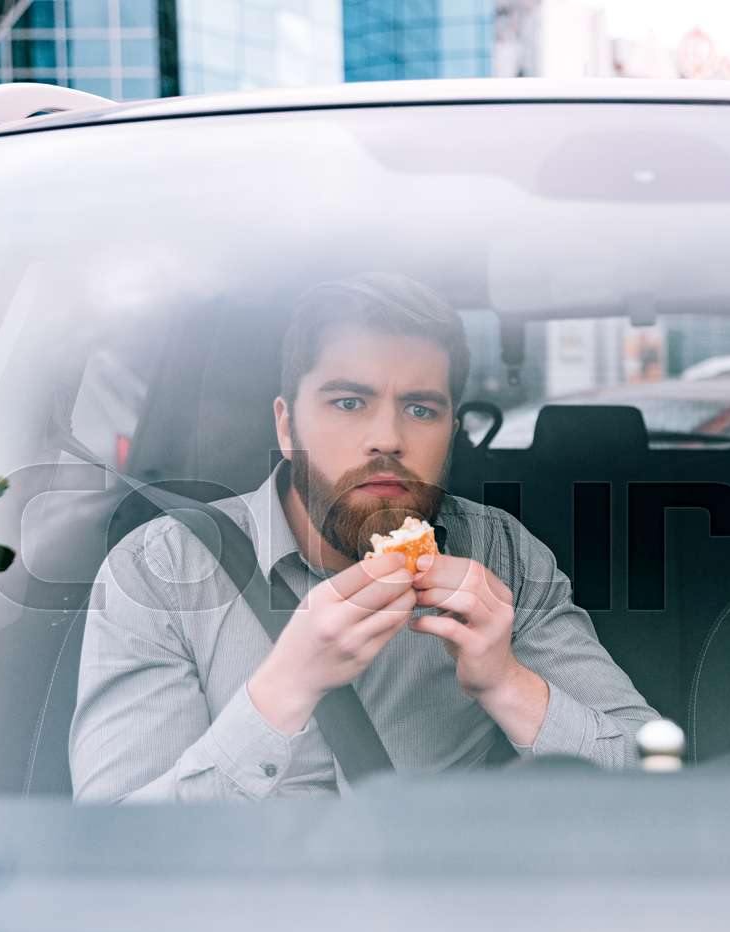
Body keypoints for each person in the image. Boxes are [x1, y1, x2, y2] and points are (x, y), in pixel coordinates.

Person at [70, 273, 659, 802]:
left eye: (421, 410)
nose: (388, 438)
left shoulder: (501, 556)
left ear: (452, 431)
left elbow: (658, 784)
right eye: (349, 402)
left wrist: (505, 681)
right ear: (286, 423)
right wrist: (284, 688)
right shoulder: (159, 569)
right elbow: (114, 848)